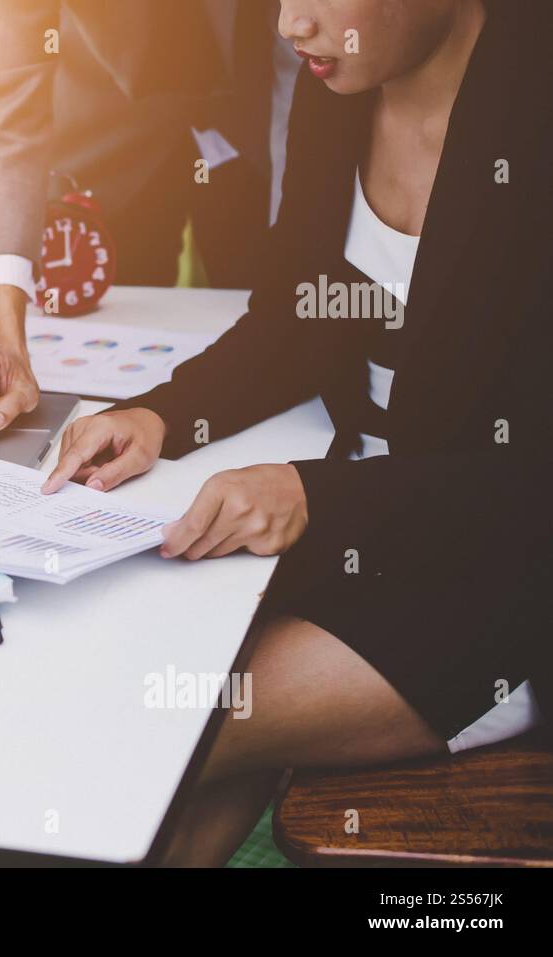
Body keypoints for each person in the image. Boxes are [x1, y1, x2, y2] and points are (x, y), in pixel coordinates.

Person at [42, 0, 550, 865]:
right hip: (369, 521)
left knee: (156, 720)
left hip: (501, 584)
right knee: (126, 675)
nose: (288, 24)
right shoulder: (345, 81)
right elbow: (300, 315)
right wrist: (161, 413)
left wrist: (315, 495)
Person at [0, 0, 299, 434]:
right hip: (104, 142)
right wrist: (2, 339)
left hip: (258, 124)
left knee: (278, 352)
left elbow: (300, 60)